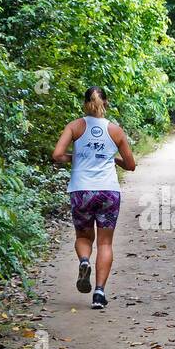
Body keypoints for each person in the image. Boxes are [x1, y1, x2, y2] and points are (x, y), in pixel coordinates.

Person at [52, 87, 136, 309]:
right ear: (105, 103)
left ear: (84, 103)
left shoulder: (75, 126)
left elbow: (57, 155)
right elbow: (131, 165)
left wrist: (76, 158)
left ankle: (84, 261)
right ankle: (99, 293)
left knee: (83, 237)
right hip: (108, 191)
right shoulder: (115, 131)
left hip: (81, 191)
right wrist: (113, 160)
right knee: (105, 242)